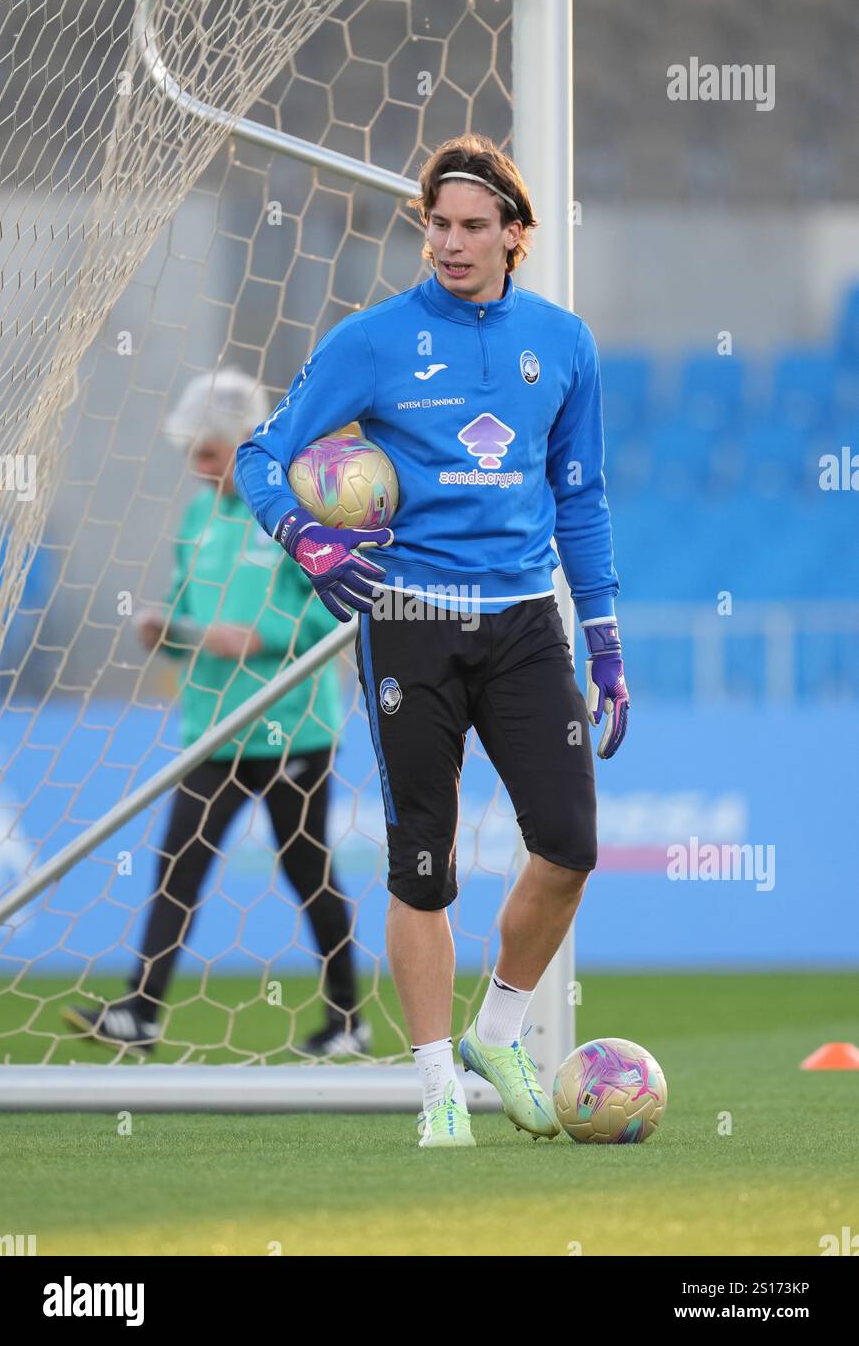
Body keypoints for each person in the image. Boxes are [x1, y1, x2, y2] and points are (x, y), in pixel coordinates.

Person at [235, 133, 630, 1147]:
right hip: (407, 619)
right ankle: (434, 1088)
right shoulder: (370, 342)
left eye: (469, 227)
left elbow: (579, 502)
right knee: (424, 861)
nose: (449, 245)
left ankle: (495, 1033)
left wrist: (604, 639)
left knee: (570, 843)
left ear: (512, 233)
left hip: (524, 624)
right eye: (436, 227)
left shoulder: (564, 344)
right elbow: (261, 456)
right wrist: (306, 538)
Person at [63, 369, 368, 1058]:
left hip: (290, 723)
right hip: (212, 726)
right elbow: (185, 606)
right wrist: (161, 628)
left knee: (306, 869)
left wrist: (263, 638)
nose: (199, 469)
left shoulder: (298, 508)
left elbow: (339, 608)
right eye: (193, 455)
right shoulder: (197, 517)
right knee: (179, 865)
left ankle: (348, 1022)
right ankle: (139, 1015)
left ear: (247, 443)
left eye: (210, 453)